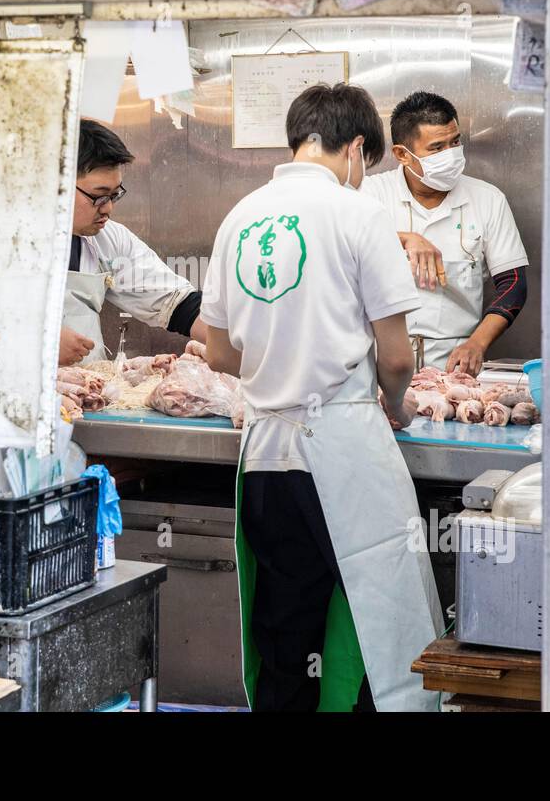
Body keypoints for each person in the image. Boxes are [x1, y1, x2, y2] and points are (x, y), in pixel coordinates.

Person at [200, 82, 442, 712]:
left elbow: (221, 355)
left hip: (266, 456)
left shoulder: (238, 217)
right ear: (357, 148)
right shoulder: (358, 214)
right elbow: (394, 355)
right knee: (372, 617)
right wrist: (397, 401)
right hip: (344, 453)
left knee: (285, 626)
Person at [361, 91, 530, 375]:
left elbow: (513, 285)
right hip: (378, 359)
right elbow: (330, 250)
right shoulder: (369, 194)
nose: (450, 155)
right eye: (437, 148)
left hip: (453, 365)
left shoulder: (488, 199)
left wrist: (476, 344)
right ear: (403, 154)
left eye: (455, 142)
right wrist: (401, 238)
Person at [60, 120, 207, 365]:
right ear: (58, 186)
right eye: (98, 196)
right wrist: (35, 343)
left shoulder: (109, 238)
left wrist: (244, 343)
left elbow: (178, 305)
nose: (108, 208)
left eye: (114, 195)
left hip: (87, 394)